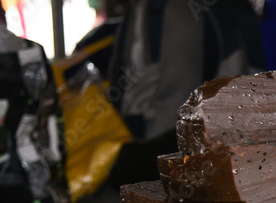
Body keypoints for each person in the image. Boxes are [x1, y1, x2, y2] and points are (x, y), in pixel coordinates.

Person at [107, 0, 265, 185]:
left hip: (166, 134)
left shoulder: (175, 10)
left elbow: (170, 92)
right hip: (199, 134)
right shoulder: (222, 8)